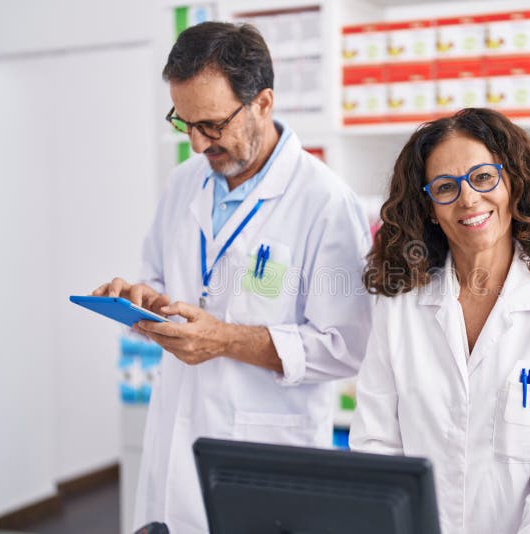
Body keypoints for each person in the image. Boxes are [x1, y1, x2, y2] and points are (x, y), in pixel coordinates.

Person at [92, 22, 372, 533]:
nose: (198, 143)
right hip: (173, 441)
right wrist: (142, 303)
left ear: (263, 102)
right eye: (185, 122)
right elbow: (158, 277)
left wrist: (222, 340)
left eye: (213, 125)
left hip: (262, 457)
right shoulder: (183, 184)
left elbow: (345, 346)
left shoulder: (325, 202)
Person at [350, 108, 530, 534]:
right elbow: (375, 446)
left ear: (512, 184)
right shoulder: (399, 309)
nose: (468, 199)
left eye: (484, 178)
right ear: (430, 207)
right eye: (446, 187)